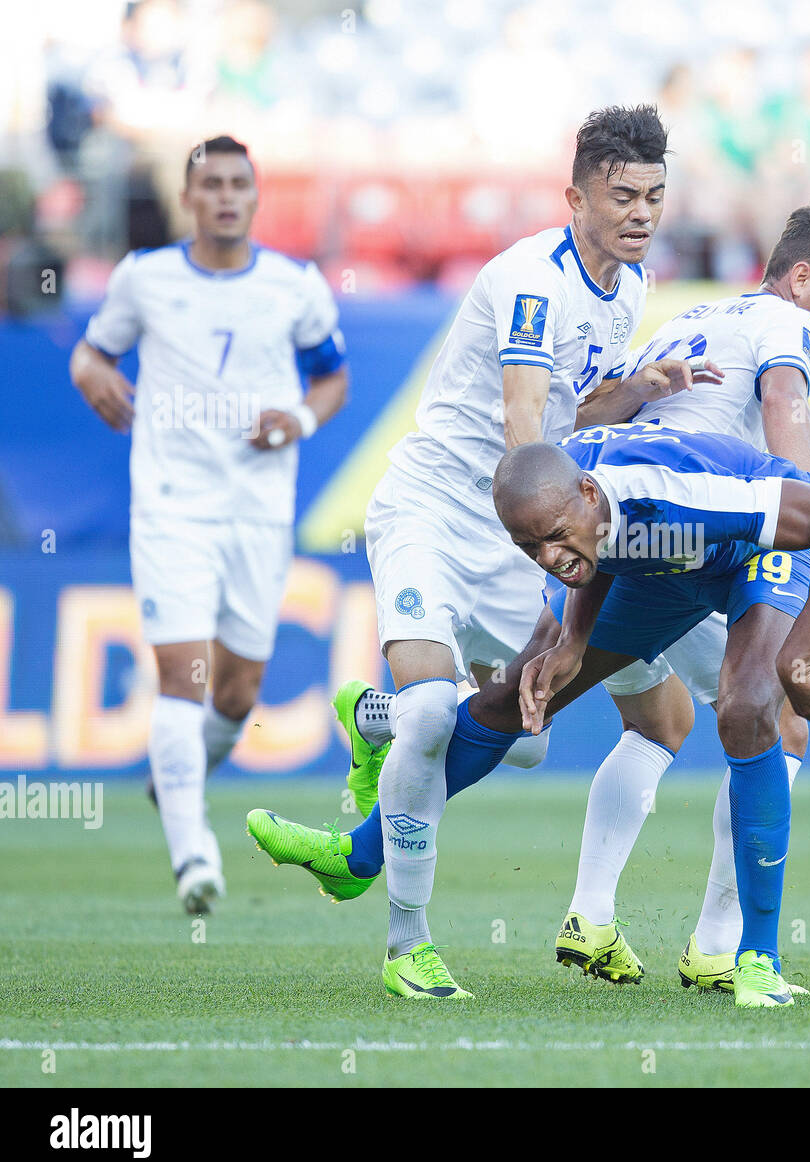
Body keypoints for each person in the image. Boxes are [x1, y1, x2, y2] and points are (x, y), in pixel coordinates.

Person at [245, 106, 714, 1000]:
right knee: (436, 718)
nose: (642, 212)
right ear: (575, 195)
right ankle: (407, 946)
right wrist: (559, 544)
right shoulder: (533, 279)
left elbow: (572, 411)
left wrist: (642, 389)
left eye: (655, 195)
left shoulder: (632, 287)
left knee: (521, 734)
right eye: (623, 195)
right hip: (441, 510)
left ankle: (370, 728)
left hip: (520, 520)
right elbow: (526, 425)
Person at [475, 422, 810, 1007]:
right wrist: (804, 494)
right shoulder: (785, 331)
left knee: (623, 719)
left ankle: (591, 913)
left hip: (631, 548)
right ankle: (725, 949)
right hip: (700, 536)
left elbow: (601, 438)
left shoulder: (648, 375)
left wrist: (571, 629)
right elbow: (786, 418)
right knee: (757, 717)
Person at [69, 134, 348, 914]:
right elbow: (90, 355)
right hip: (172, 507)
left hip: (258, 511)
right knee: (181, 678)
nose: (225, 195)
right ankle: (193, 854)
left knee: (239, 688)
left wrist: (295, 417)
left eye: (238, 184)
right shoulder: (146, 279)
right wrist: (94, 375)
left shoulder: (293, 287)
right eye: (211, 184)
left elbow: (333, 380)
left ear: (255, 198)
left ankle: (177, 778)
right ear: (190, 198)